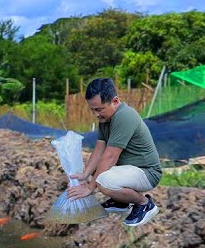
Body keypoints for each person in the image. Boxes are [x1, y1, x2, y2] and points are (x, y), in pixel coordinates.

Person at [65, 77, 162, 226]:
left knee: (104, 182)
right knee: (94, 167)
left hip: (147, 172)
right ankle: (121, 202)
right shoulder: (105, 119)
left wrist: (90, 188)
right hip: (130, 169)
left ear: (115, 101)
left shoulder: (125, 116)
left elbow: (110, 156)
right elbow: (99, 149)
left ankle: (144, 204)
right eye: (92, 110)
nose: (96, 114)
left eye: (99, 109)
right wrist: (85, 175)